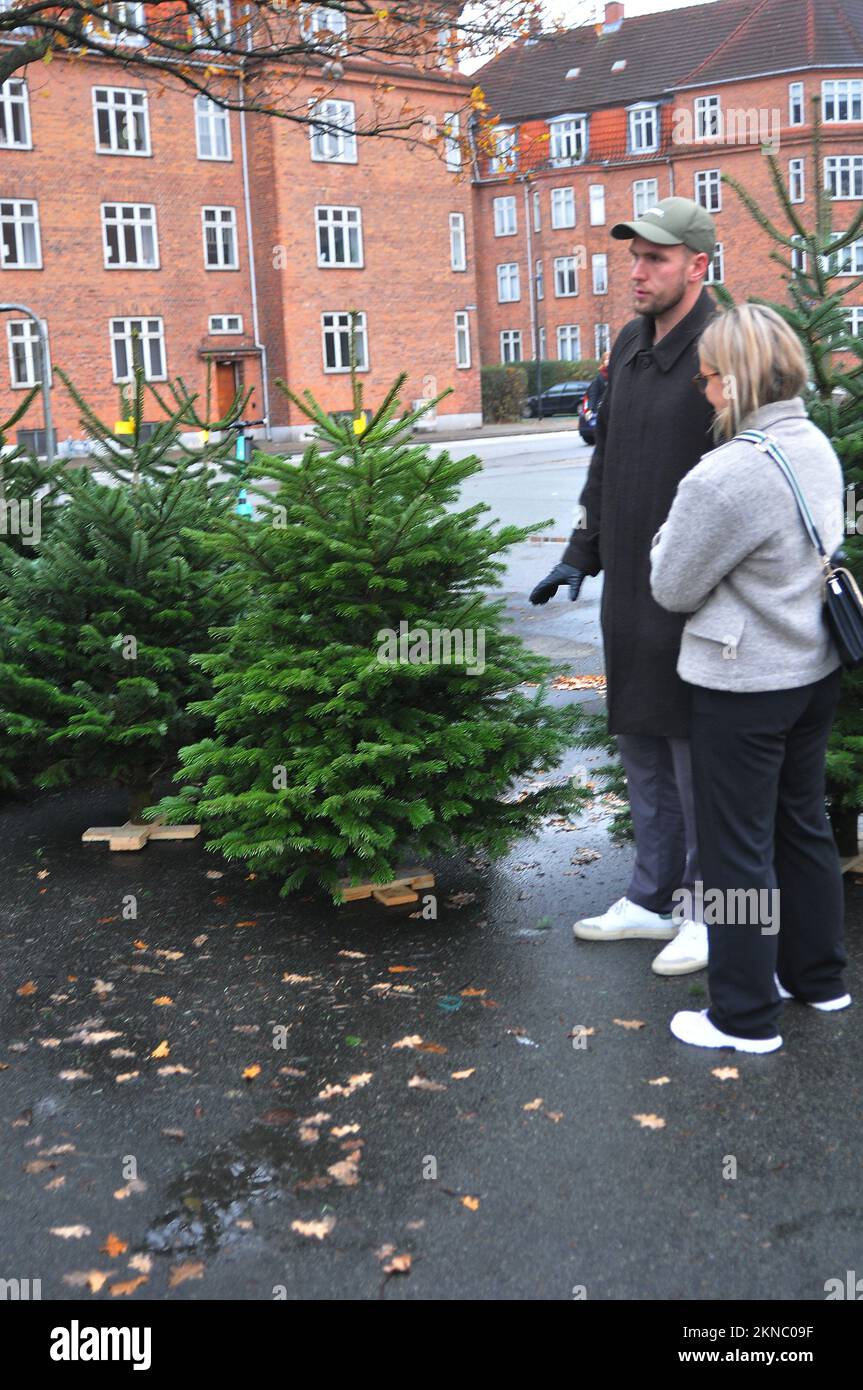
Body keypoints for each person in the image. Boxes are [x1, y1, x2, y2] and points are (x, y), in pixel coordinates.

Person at [650, 303, 849, 1053]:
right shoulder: (813, 446)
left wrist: (666, 536)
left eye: (706, 378)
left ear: (733, 381)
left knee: (736, 848)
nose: (702, 391)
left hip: (742, 685)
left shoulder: (728, 474)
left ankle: (741, 1017)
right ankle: (818, 979)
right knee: (801, 826)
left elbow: (670, 585)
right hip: (811, 669)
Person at [530, 197, 718, 976]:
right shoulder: (631, 342)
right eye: (633, 257)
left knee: (694, 753)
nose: (637, 273)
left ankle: (709, 914)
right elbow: (603, 458)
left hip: (698, 594)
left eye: (656, 259)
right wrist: (582, 549)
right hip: (629, 592)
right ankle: (650, 898)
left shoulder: (722, 347)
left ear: (697, 267)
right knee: (641, 739)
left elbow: (743, 474)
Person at [578, 351, 610, 446]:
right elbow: (593, 395)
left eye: (610, 359)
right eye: (607, 359)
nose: (609, 361)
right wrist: (589, 410)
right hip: (602, 409)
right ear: (603, 362)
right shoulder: (599, 378)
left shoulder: (617, 375)